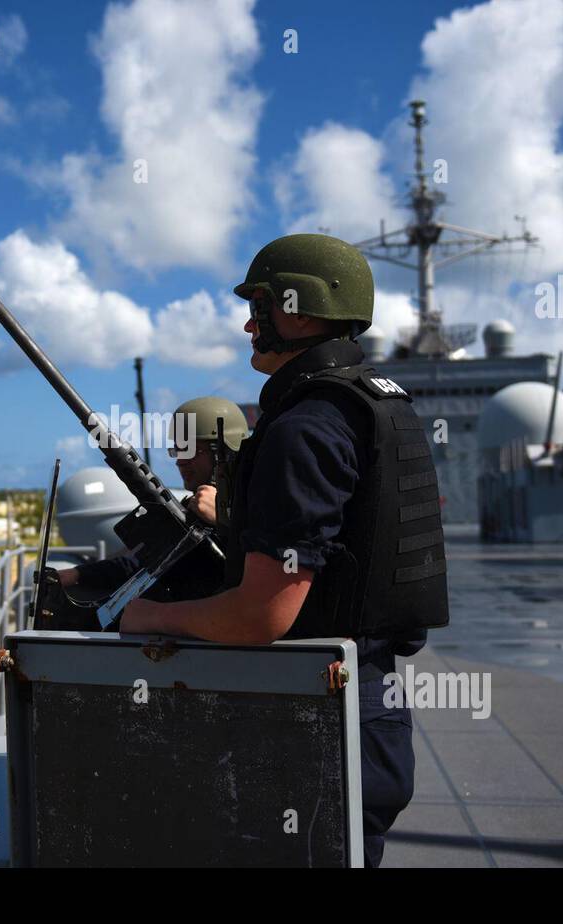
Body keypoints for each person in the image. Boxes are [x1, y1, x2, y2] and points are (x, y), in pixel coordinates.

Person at [121, 233, 450, 866]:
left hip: (315, 724)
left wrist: (149, 618)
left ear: (300, 307)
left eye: (261, 304)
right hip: (364, 705)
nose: (250, 323)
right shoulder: (375, 404)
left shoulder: (306, 426)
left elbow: (261, 616)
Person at [58, 396, 248, 593]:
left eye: (190, 449)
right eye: (177, 450)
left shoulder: (258, 503)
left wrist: (226, 520)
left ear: (223, 452)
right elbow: (139, 564)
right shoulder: (189, 510)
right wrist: (76, 575)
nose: (180, 461)